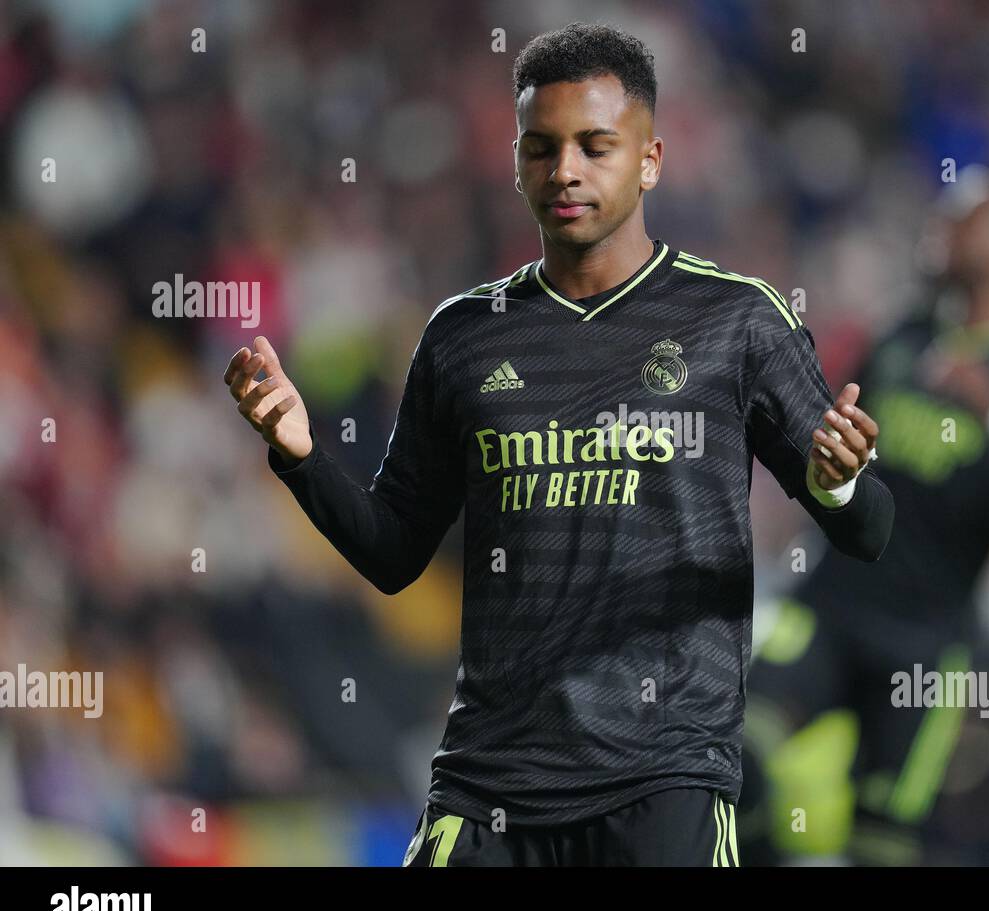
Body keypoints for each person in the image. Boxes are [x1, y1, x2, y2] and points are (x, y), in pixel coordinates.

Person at [222, 22, 893, 866]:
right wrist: (300, 456)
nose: (564, 170)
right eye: (540, 147)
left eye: (594, 146)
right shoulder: (464, 337)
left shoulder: (739, 322)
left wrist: (835, 483)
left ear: (650, 158)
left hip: (664, 780)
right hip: (490, 780)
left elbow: (869, 531)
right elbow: (395, 552)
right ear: (515, 163)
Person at [739, 168, 989, 865]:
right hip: (829, 609)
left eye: (969, 214)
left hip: (927, 646)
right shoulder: (904, 335)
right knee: (734, 761)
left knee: (883, 844)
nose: (945, 223)